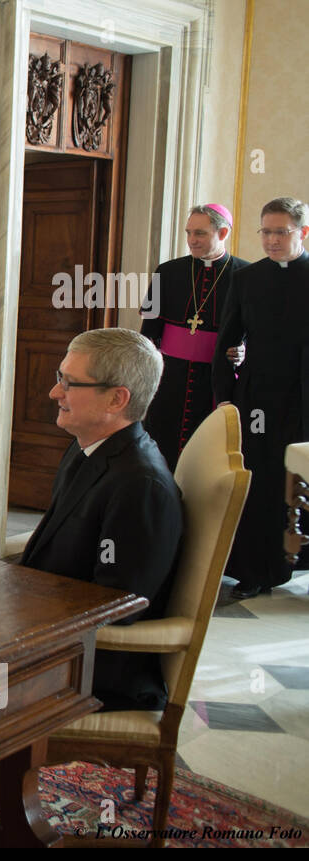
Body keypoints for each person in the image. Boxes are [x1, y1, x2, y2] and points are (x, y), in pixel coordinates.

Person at [21, 328, 183, 711]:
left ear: (117, 398)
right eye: (59, 378)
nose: (54, 393)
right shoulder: (86, 449)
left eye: (70, 383)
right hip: (53, 642)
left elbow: (116, 608)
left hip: (94, 672)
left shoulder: (140, 485)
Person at [211, 196, 309, 600]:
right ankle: (255, 568)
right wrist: (225, 397)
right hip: (258, 399)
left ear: (302, 232)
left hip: (303, 397)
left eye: (280, 232)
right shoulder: (248, 278)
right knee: (261, 480)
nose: (270, 240)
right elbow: (228, 338)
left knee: (301, 481)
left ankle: (299, 560)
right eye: (265, 231)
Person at [140, 203, 250, 470]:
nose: (191, 240)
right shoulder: (167, 271)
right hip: (169, 376)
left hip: (216, 378)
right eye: (189, 232)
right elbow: (149, 330)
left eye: (199, 233)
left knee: (206, 451)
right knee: (160, 440)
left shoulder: (245, 275)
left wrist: (245, 348)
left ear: (222, 233)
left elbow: (253, 330)